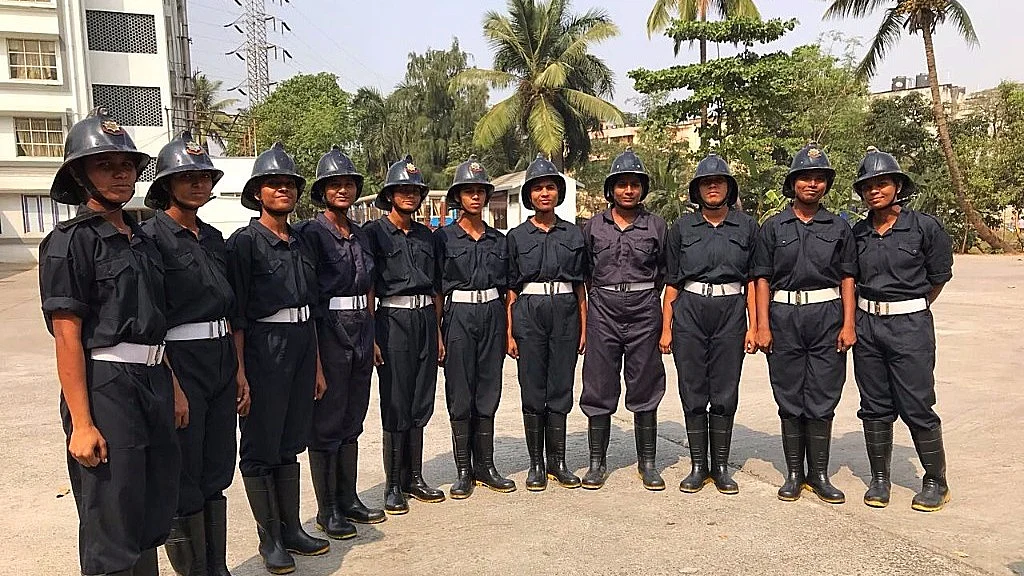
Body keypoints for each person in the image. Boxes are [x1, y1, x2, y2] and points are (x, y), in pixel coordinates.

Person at [39, 107, 178, 576]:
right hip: (107, 385)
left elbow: (154, 323)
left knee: (150, 508)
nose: (121, 174)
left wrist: (172, 383)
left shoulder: (142, 238)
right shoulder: (69, 242)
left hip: (153, 378)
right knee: (111, 517)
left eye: (127, 165)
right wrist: (81, 422)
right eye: (105, 165)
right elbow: (66, 337)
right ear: (79, 175)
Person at [140, 132, 244, 576]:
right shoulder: (151, 238)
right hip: (180, 360)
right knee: (185, 471)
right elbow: (153, 321)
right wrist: (173, 387)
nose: (198, 184)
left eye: (204, 176)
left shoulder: (215, 238)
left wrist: (239, 371)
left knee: (217, 467)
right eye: (187, 177)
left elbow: (232, 310)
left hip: (221, 356)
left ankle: (215, 567)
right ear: (167, 184)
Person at [227, 142, 329, 574]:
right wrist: (241, 372)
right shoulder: (245, 244)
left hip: (302, 343)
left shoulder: (301, 241)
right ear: (257, 193)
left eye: (289, 183)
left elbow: (312, 307)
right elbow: (237, 315)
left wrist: (318, 366)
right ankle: (269, 538)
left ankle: (291, 529)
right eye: (273, 184)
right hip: (264, 347)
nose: (282, 189)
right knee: (259, 446)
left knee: (290, 441)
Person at [752, 142, 857, 504]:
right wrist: (762, 325)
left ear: (826, 185)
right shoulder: (772, 227)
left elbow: (847, 278)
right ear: (793, 183)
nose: (812, 185)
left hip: (827, 317)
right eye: (805, 179)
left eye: (819, 179)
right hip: (783, 317)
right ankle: (795, 474)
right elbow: (762, 278)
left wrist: (848, 323)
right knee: (789, 394)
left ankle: (820, 474)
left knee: (823, 394)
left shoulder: (841, 227)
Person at [851, 147, 954, 512]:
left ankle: (935, 480)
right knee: (874, 405)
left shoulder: (924, 227)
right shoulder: (858, 233)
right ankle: (880, 479)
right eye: (868, 186)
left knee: (916, 404)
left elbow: (938, 277)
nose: (875, 191)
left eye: (882, 183)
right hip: (867, 326)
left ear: (897, 186)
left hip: (910, 325)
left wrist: (910, 307)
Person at [295, 146, 386, 537]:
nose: (343, 190)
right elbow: (310, 297)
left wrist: (373, 332)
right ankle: (327, 508)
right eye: (335, 184)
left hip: (361, 330)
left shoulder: (361, 234)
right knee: (327, 422)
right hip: (329, 328)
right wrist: (315, 355)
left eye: (348, 183)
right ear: (322, 191)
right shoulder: (310, 234)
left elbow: (367, 286)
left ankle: (348, 498)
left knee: (353, 417)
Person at [661, 154, 759, 495]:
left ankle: (720, 467)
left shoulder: (746, 226)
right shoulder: (682, 228)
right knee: (692, 390)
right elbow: (671, 282)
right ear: (697, 190)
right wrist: (665, 327)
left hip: (731, 311)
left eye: (719, 182)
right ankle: (698, 466)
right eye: (706, 182)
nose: (713, 187)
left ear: (729, 188)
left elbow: (753, 281)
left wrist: (755, 325)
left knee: (725, 390)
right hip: (689, 310)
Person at [579, 148, 667, 491]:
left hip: (644, 307)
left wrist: (646, 299)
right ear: (611, 190)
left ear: (642, 189)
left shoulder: (656, 225)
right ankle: (597, 463)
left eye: (634, 184)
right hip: (604, 307)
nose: (628, 190)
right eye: (622, 185)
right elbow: (584, 273)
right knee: (598, 384)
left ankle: (647, 463)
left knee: (645, 382)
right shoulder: (592, 228)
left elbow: (665, 273)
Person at [363, 155, 445, 514]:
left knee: (420, 400)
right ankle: (393, 484)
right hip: (392, 317)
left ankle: (415, 477)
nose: (409, 195)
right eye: (402, 189)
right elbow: (367, 286)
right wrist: (373, 334)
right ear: (389, 194)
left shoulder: (428, 235)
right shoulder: (374, 233)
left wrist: (439, 332)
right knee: (395, 401)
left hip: (425, 318)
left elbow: (437, 287)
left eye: (414, 189)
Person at [435, 155, 516, 499]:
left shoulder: (500, 240)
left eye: (480, 191)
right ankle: (463, 470)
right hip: (459, 317)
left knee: (488, 391)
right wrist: (439, 332)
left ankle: (486, 465)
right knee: (460, 392)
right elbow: (437, 289)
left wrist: (510, 331)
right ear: (458, 197)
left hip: (493, 315)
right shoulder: (443, 239)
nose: (475, 197)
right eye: (468, 191)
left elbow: (510, 288)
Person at [507, 154, 588, 491]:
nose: (544, 193)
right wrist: (509, 331)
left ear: (558, 193)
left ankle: (558, 461)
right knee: (532, 388)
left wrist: (584, 325)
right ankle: (536, 464)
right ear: (530, 195)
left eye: (550, 187)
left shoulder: (574, 234)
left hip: (566, 310)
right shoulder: (516, 236)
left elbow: (581, 285)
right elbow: (510, 288)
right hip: (529, 310)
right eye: (538, 188)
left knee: (560, 389)